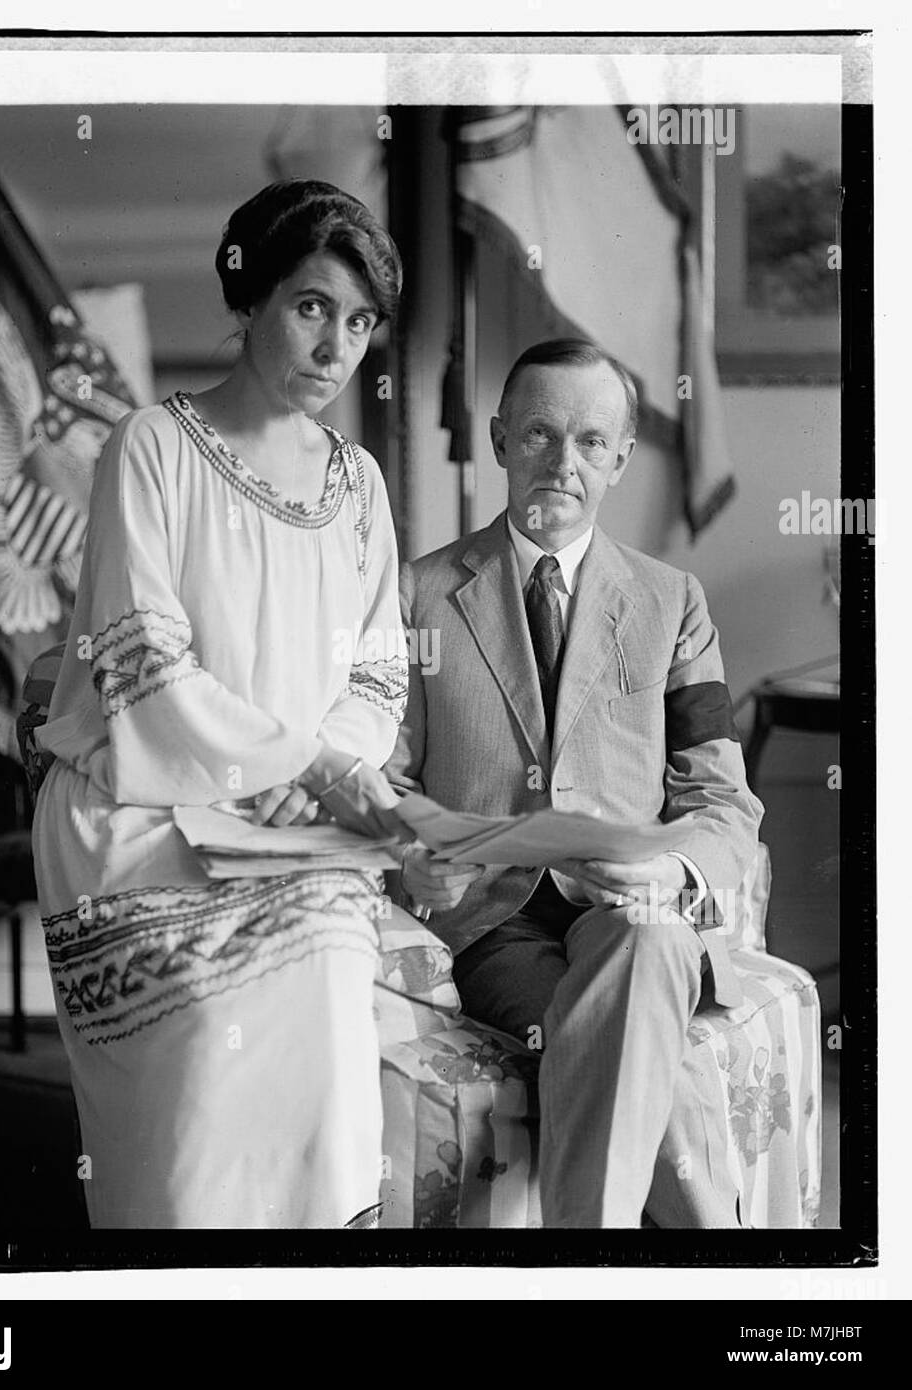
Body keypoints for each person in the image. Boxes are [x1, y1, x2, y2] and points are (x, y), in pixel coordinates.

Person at [31, 180, 407, 1229]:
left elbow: (375, 673)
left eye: (362, 322)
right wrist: (297, 765)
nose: (338, 345)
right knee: (208, 1031)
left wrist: (313, 770)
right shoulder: (150, 447)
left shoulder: (359, 485)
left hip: (291, 822)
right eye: (312, 307)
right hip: (140, 812)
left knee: (331, 956)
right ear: (247, 301)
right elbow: (143, 664)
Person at [386, 338, 764, 1229]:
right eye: (540, 435)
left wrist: (668, 875)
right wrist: (416, 859)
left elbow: (722, 799)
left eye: (592, 442)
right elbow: (387, 781)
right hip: (496, 922)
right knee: (618, 1036)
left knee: (650, 939)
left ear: (622, 457)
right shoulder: (418, 596)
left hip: (638, 908)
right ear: (498, 438)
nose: (564, 463)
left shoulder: (674, 602)